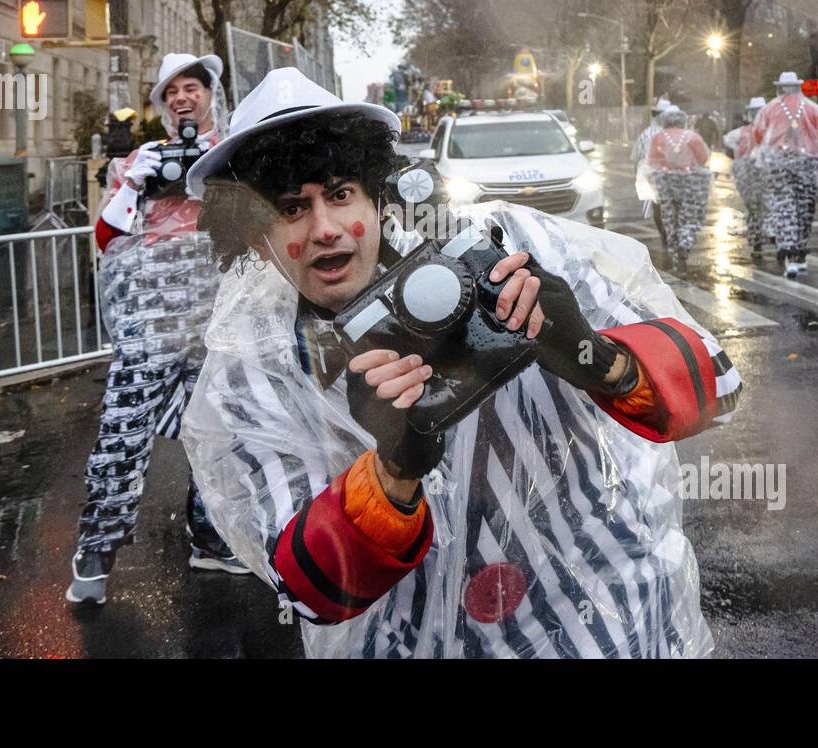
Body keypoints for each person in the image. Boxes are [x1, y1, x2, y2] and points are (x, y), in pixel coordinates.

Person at [179, 67, 743, 659]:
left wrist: (593, 356)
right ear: (254, 235)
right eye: (292, 209)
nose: (324, 229)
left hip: (607, 627)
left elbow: (720, 387)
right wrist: (392, 473)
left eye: (341, 195)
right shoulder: (256, 379)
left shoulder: (509, 253)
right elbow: (309, 590)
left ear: (376, 196)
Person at [66, 53, 248, 607]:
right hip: (150, 322)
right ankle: (96, 550)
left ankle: (212, 537)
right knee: (122, 431)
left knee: (217, 433)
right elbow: (103, 239)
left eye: (190, 88)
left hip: (215, 323)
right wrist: (133, 185)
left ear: (210, 94)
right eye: (170, 93)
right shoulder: (141, 160)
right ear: (161, 106)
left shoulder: (231, 154)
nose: (181, 99)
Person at [753, 71, 818, 278]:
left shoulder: (769, 109)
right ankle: (800, 253)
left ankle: (789, 252)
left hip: (778, 163)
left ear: (780, 87)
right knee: (805, 209)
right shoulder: (812, 108)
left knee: (784, 208)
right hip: (807, 163)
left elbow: (759, 135)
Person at [645, 106, 712, 273]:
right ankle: (685, 243)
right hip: (689, 182)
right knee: (688, 217)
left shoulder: (657, 138)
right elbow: (703, 158)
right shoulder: (693, 137)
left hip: (665, 183)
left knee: (669, 218)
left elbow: (652, 161)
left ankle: (674, 253)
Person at [724, 97, 768, 258]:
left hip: (748, 174)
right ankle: (760, 235)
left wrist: (739, 153)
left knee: (754, 207)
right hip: (761, 173)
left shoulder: (742, 132)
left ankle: (757, 236)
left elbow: (728, 140)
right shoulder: (770, 130)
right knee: (760, 206)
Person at [632, 97, 672, 244]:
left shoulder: (646, 134)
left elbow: (636, 158)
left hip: (652, 177)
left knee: (658, 208)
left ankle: (665, 236)